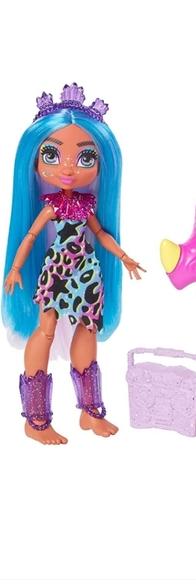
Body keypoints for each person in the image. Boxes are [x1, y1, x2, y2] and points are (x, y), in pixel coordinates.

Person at [2, 83, 145, 445]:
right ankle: (36, 419)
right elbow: (30, 236)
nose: (67, 167)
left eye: (85, 157)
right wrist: (16, 268)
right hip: (57, 271)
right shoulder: (51, 205)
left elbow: (100, 233)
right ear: (34, 161)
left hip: (86, 272)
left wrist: (123, 256)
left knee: (87, 329)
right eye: (52, 154)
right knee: (46, 330)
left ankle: (90, 411)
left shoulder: (87, 205)